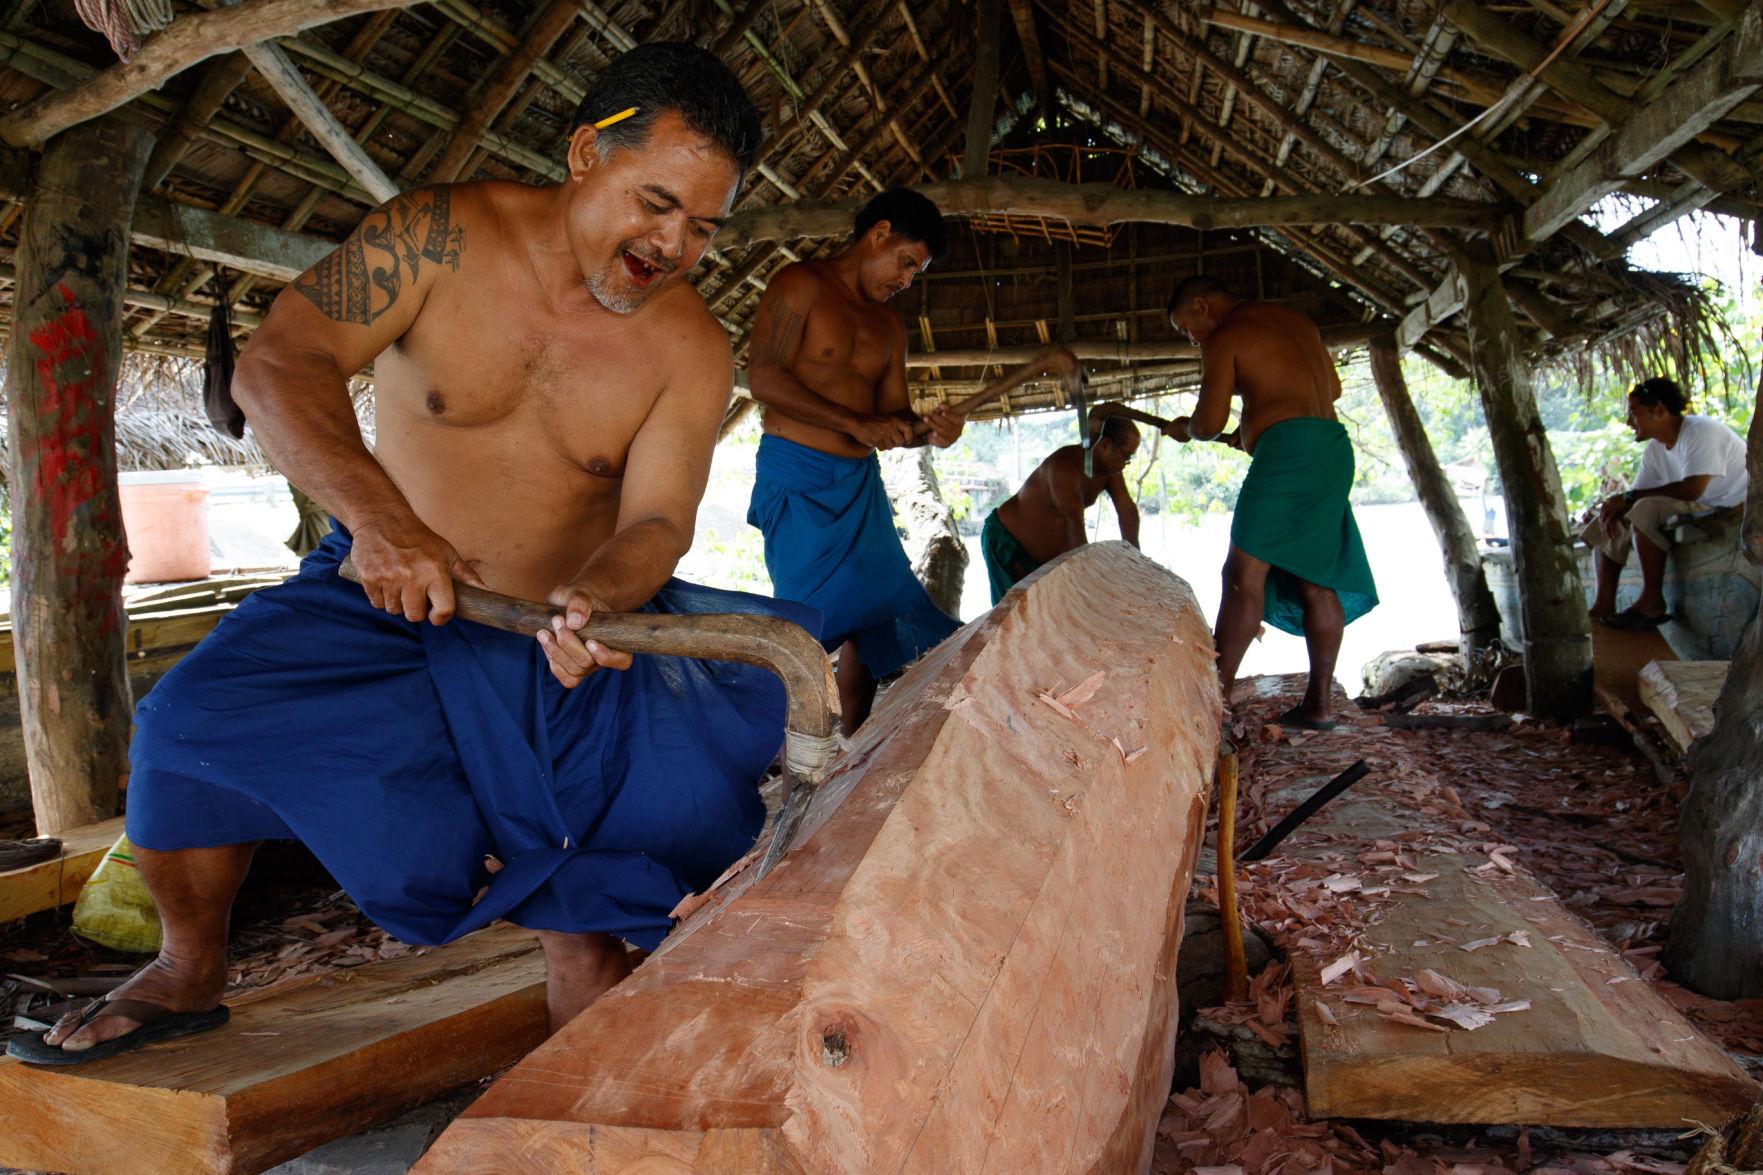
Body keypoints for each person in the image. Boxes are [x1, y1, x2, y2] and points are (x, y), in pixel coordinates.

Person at [15, 43, 806, 1064]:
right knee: (184, 729)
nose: (672, 242)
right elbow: (277, 365)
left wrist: (599, 598)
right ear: (582, 155)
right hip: (375, 601)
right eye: (654, 202)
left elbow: (657, 520)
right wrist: (380, 520)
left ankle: (597, 1080)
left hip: (556, 638)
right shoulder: (434, 238)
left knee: (605, 896)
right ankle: (187, 966)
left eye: (701, 225)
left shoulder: (690, 346)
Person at [745, 189, 1072, 734]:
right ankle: (771, 741)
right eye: (904, 263)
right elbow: (765, 379)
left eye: (915, 273)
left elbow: (894, 419)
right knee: (807, 624)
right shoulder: (800, 285)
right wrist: (856, 425)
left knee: (881, 612)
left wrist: (935, 433)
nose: (905, 280)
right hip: (798, 480)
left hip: (858, 488)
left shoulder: (889, 326)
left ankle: (854, 744)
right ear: (878, 233)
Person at [1165, 274, 1377, 730]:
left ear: (1201, 306)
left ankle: (1211, 706)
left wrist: (1185, 428)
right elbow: (1331, 391)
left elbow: (1207, 422)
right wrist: (1254, 429)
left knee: (1243, 574)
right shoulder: (1296, 322)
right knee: (1314, 580)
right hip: (1332, 447)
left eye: (1186, 329)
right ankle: (1317, 707)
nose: (1192, 339)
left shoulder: (1224, 336)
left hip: (1290, 452)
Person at [1584, 376, 1749, 629]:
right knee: (1610, 518)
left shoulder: (1700, 431)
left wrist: (1629, 498)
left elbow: (1693, 489)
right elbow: (1634, 496)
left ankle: (1651, 600)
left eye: (1634, 413)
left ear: (1658, 409)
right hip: (1702, 505)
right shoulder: (1656, 450)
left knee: (1644, 508)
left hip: (1731, 504)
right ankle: (1603, 605)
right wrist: (1613, 507)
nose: (1629, 422)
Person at [981, 414, 1140, 603]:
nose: (1126, 464)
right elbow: (1073, 526)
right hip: (1006, 541)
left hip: (1046, 559)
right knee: (1010, 623)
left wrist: (1136, 561)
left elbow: (1126, 509)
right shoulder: (1064, 468)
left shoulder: (1110, 470)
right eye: (1127, 456)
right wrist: (1089, 581)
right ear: (1105, 445)